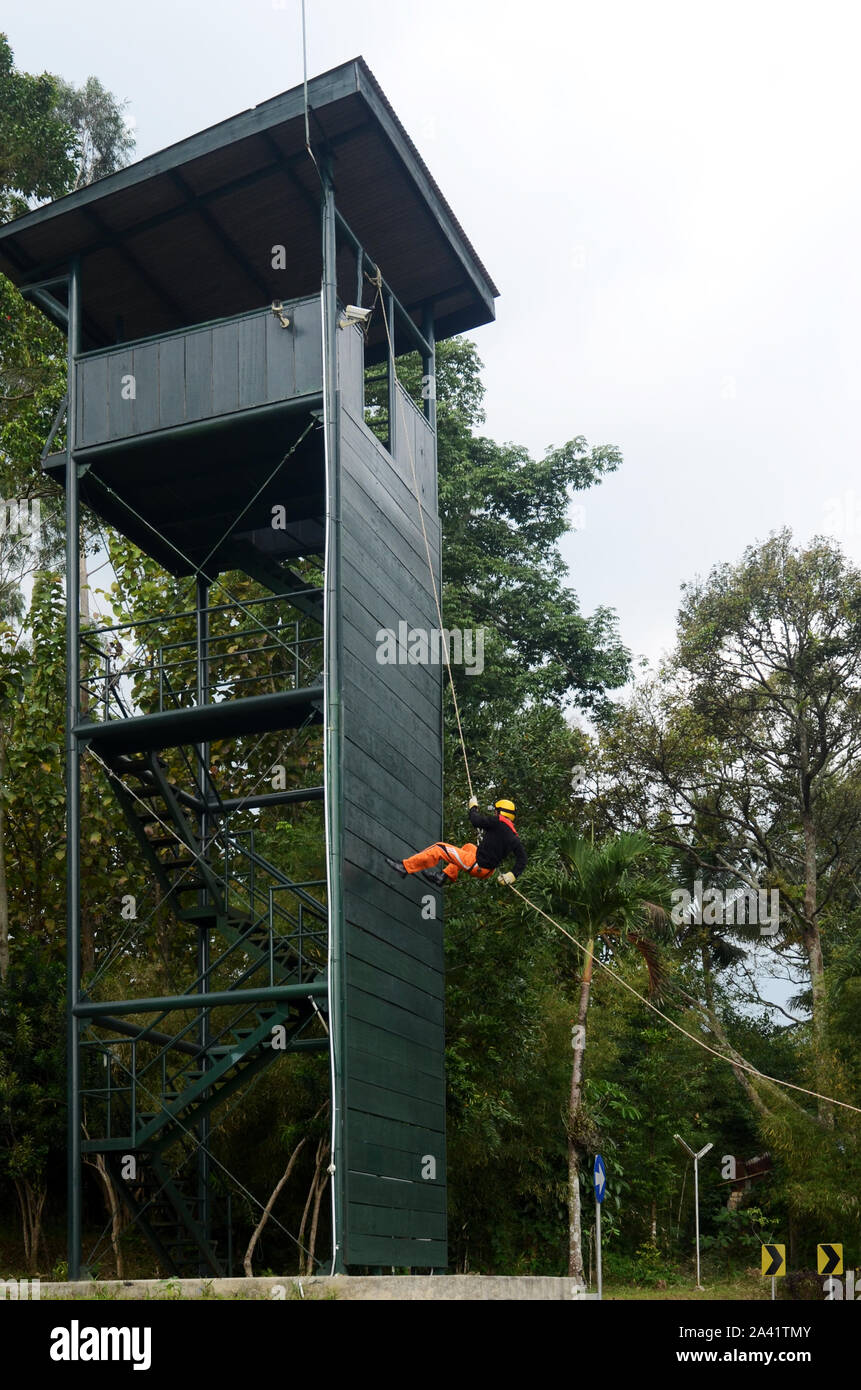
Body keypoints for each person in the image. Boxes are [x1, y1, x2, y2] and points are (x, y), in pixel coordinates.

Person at [384, 796, 527, 888]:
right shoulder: (514, 835)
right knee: (469, 847)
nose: (494, 813)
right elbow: (522, 859)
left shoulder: (498, 821)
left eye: (496, 811)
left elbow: (475, 821)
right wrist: (512, 875)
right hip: (488, 871)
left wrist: (473, 808)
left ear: (500, 812)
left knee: (439, 848)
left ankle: (405, 867)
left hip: (476, 864)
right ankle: (443, 876)